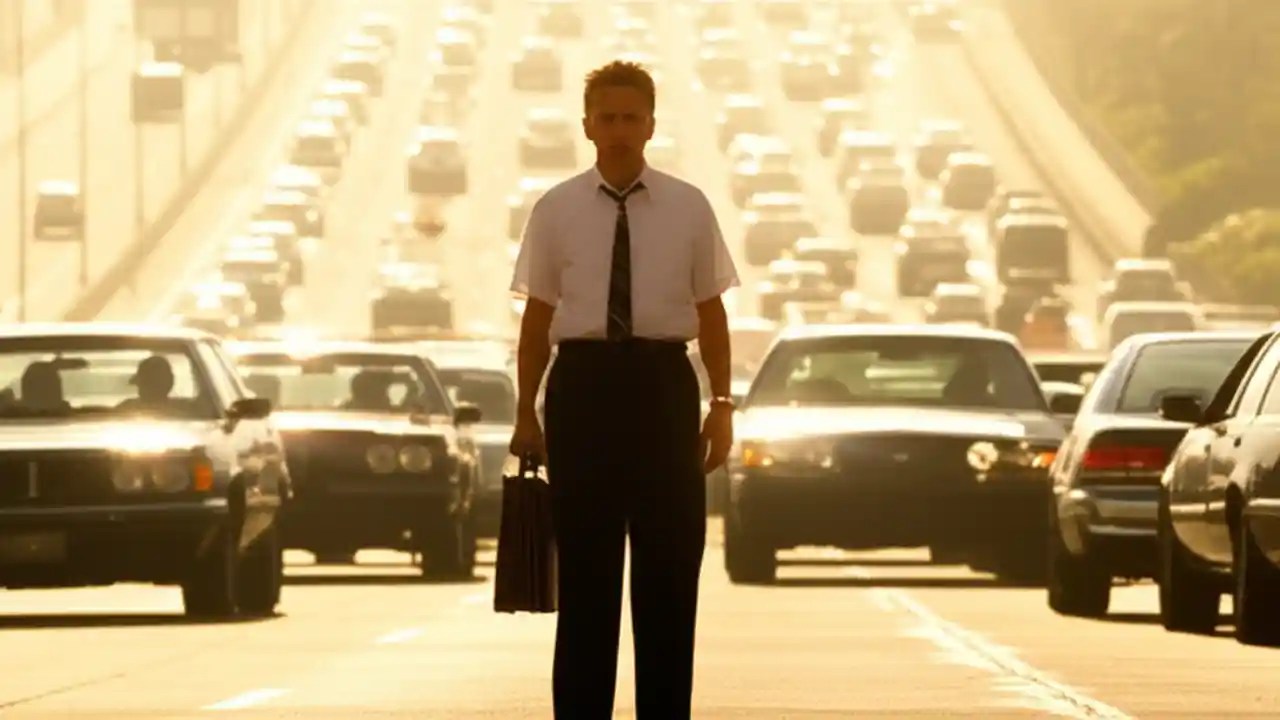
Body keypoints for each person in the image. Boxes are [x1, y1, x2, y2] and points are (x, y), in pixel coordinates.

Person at [508, 60, 739, 719]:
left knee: (668, 577)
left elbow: (713, 312)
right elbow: (537, 318)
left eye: (630, 118)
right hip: (582, 390)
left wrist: (721, 405)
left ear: (651, 125)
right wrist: (527, 413)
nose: (618, 130)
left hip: (663, 389)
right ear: (586, 126)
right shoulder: (556, 209)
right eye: (606, 118)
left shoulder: (688, 206)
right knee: (587, 579)